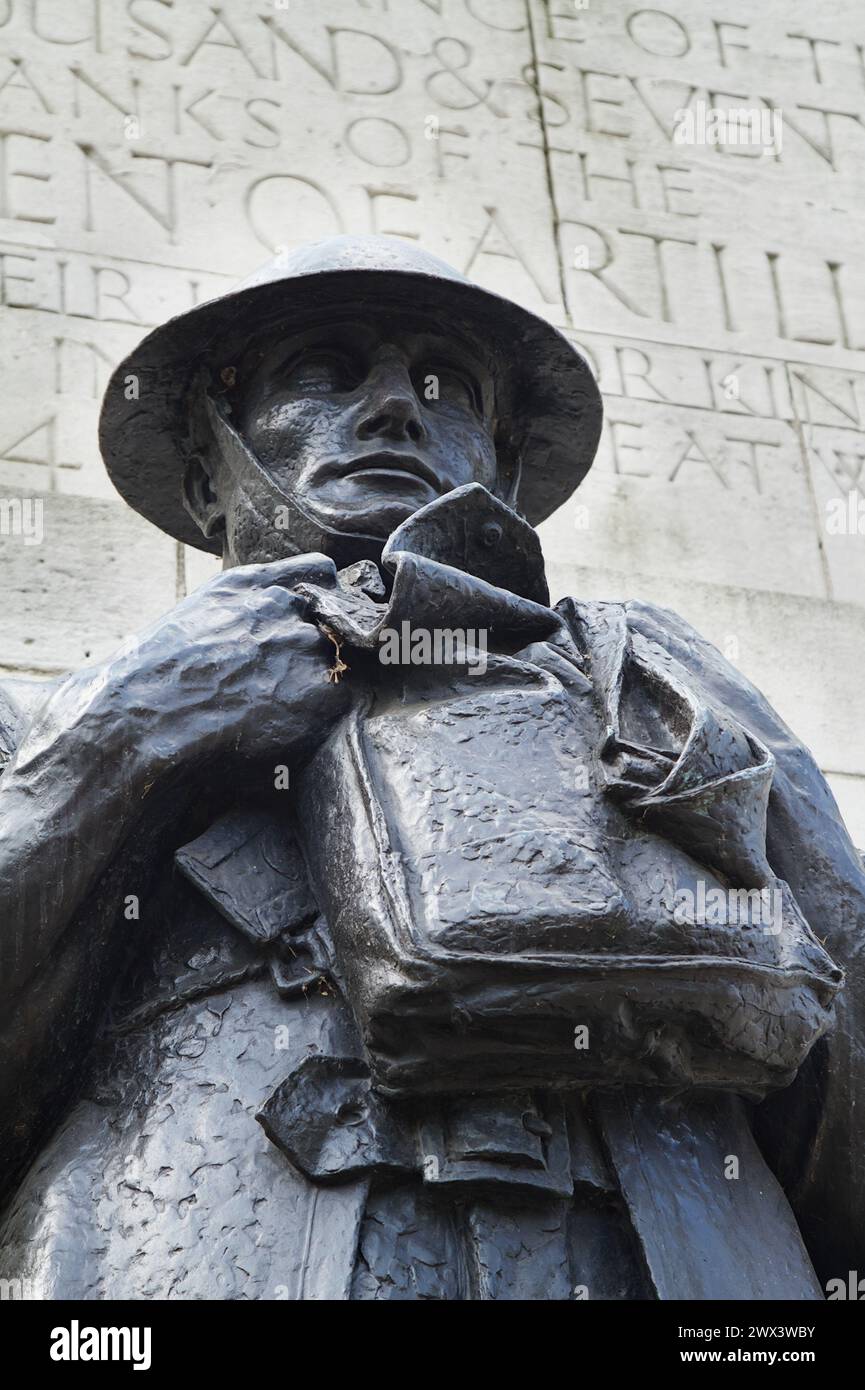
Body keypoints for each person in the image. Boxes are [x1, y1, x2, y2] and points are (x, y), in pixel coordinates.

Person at [0, 236, 861, 1300]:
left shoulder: (644, 679)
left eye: (446, 385)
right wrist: (125, 741)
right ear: (204, 473)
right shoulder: (59, 721)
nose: (397, 406)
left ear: (497, 468)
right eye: (322, 368)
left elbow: (847, 1093)